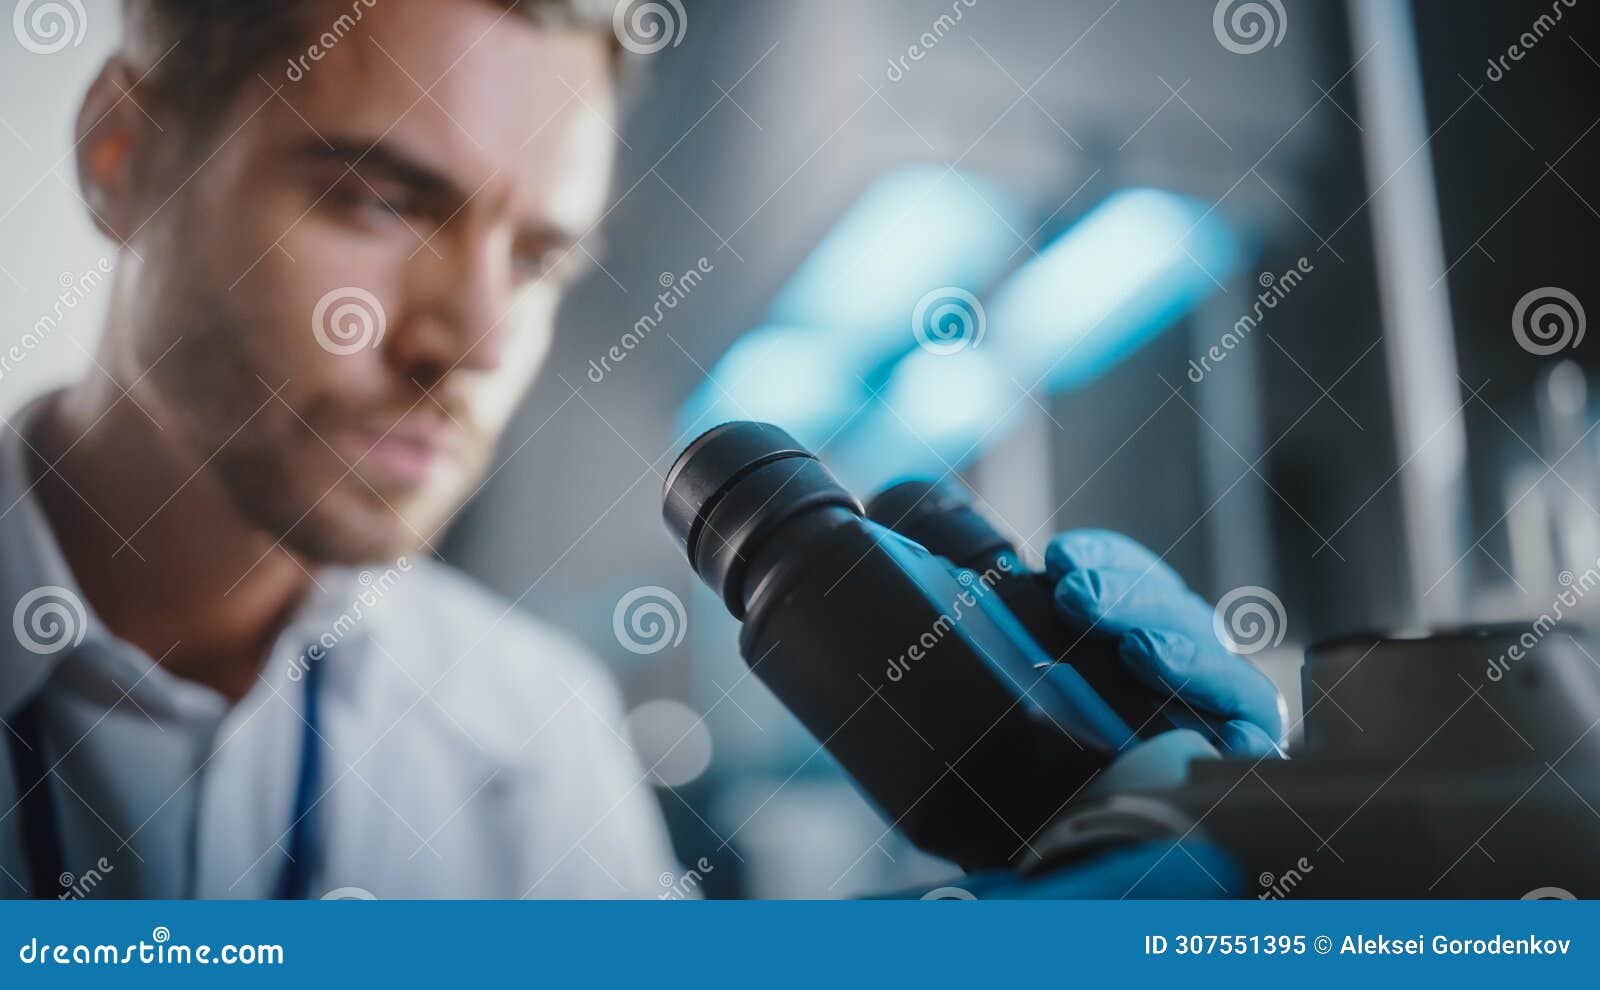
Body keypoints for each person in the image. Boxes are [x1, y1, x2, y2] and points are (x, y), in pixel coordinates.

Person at [0, 0, 1282, 900]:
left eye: (539, 256)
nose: (479, 338)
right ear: (124, 151)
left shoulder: (529, 733)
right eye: (378, 199)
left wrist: (1182, 845)